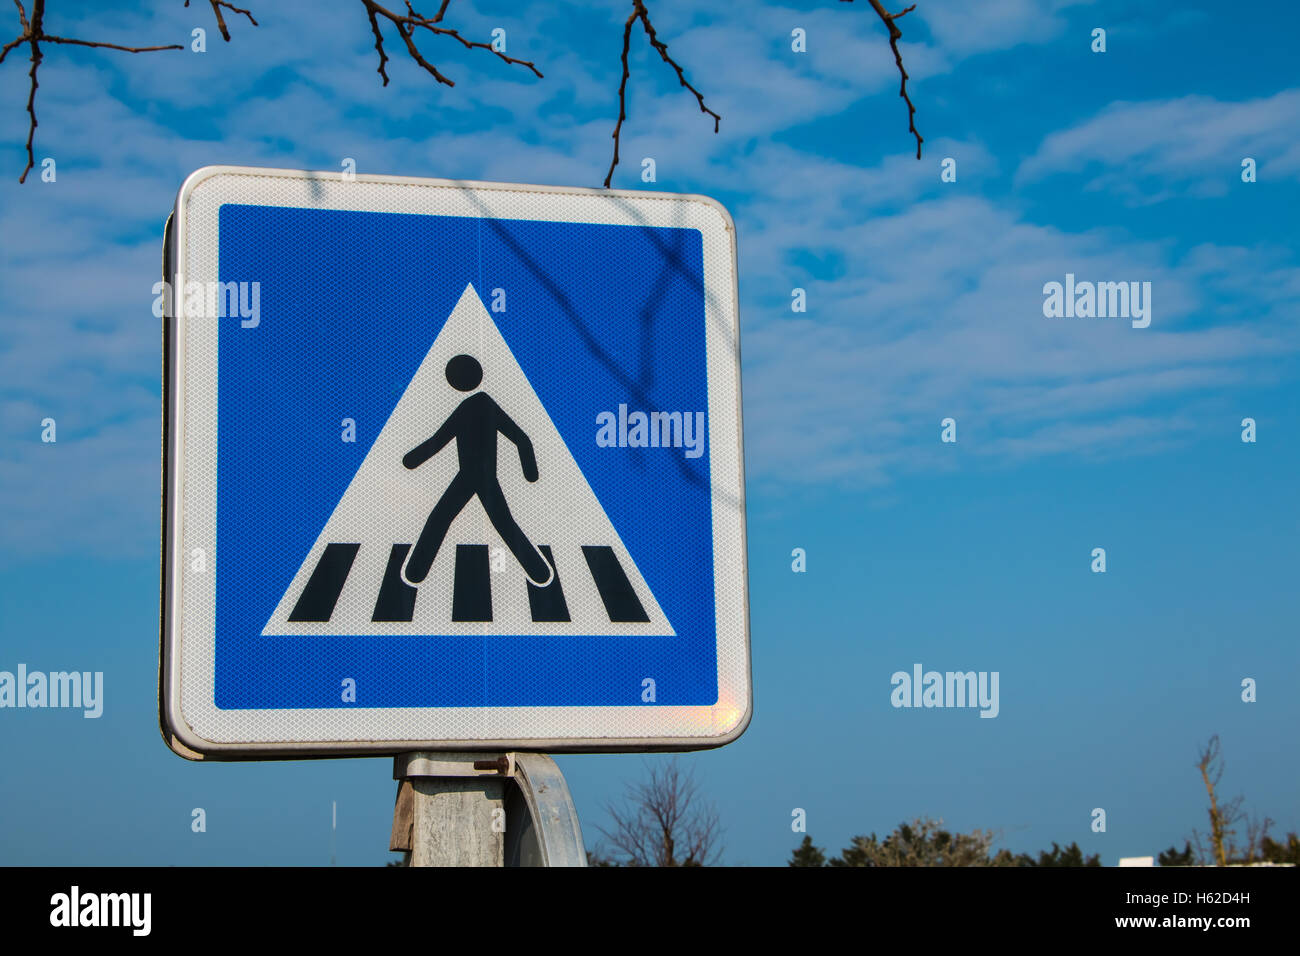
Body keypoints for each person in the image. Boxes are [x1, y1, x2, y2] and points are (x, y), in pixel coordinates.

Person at [400, 353, 553, 588]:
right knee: (491, 521)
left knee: (448, 518)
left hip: (477, 477)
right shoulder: (482, 405)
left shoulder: (473, 406)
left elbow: (438, 441)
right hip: (474, 476)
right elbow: (521, 439)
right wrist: (529, 472)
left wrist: (411, 461)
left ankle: (416, 572)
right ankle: (539, 571)